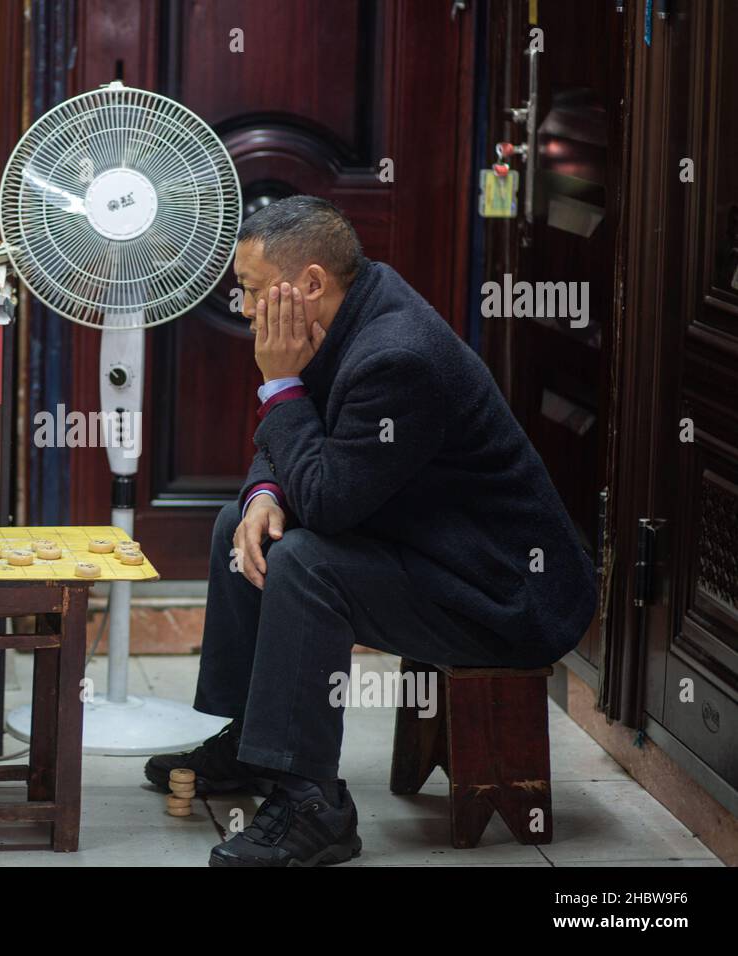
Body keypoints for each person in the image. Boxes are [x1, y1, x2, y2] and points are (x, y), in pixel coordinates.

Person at [144, 196, 597, 867]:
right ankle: (254, 744)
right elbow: (301, 442)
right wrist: (264, 492)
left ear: (313, 283)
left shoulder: (397, 356)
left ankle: (313, 806)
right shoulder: (349, 311)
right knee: (239, 527)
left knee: (304, 560)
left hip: (502, 594)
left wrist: (278, 388)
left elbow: (326, 500)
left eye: (253, 290)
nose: (244, 308)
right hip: (425, 544)